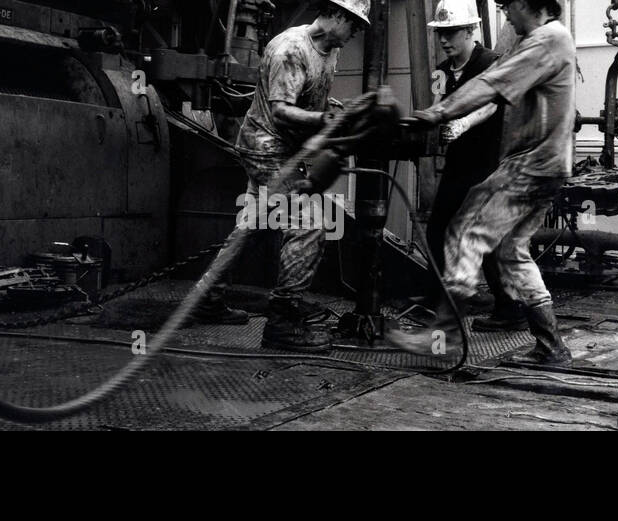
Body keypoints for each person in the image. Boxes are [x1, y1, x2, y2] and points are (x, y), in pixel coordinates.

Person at [389, 0, 575, 366]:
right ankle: (552, 346)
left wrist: (437, 113)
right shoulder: (550, 40)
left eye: (508, 7)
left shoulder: (546, 40)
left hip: (531, 164)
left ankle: (444, 338)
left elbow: (492, 84)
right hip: (549, 166)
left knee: (463, 233)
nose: (506, 15)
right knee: (511, 252)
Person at [191, 0, 370, 352]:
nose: (357, 32)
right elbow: (282, 110)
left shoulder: (329, 49)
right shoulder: (291, 49)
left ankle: (205, 298)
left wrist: (333, 109)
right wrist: (324, 122)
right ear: (336, 15)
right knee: (309, 225)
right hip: (267, 148)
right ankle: (283, 322)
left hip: (286, 149)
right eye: (355, 24)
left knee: (253, 225)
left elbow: (309, 95)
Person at [424, 0, 528, 333]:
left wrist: (461, 123)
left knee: (489, 239)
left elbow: (491, 107)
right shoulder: (441, 70)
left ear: (471, 30)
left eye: (452, 32)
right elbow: (439, 105)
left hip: (489, 164)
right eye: (441, 33)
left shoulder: (491, 63)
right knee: (438, 230)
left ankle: (510, 308)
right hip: (457, 164)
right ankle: (439, 306)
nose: (444, 40)